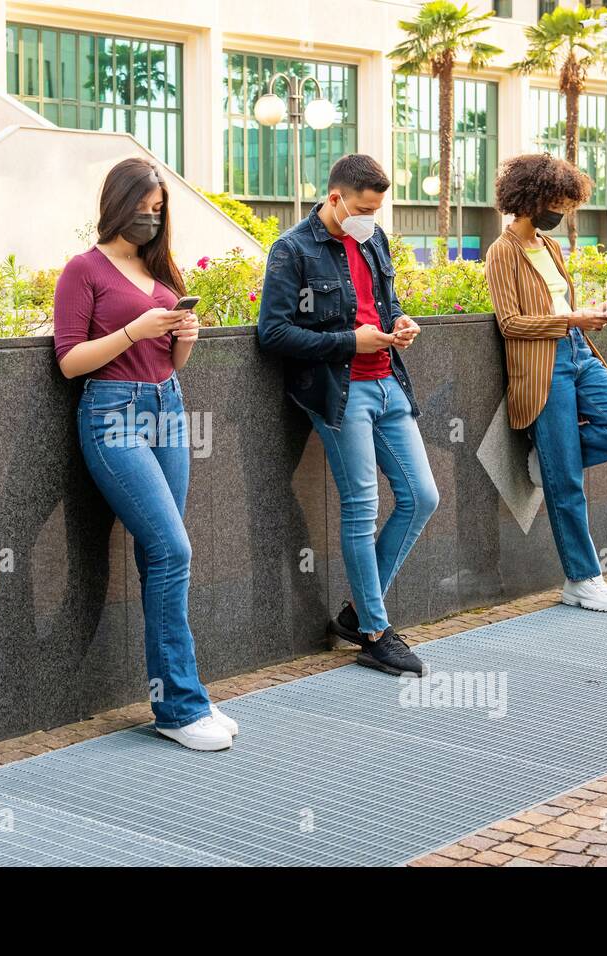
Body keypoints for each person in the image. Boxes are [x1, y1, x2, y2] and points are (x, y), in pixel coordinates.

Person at [53, 158, 237, 751]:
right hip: (113, 415)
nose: (151, 219)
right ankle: (179, 709)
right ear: (117, 204)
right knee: (172, 547)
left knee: (163, 558)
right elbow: (70, 360)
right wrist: (135, 331)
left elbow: (168, 364)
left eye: (159, 211)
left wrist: (184, 340)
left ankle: (184, 697)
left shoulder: (161, 273)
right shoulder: (83, 270)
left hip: (169, 408)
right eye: (143, 208)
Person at [257, 154, 438, 677]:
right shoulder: (291, 250)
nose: (369, 219)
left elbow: (386, 301)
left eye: (376, 210)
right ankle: (376, 635)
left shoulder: (373, 239)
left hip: (388, 383)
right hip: (340, 393)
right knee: (362, 506)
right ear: (334, 198)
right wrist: (347, 341)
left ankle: (357, 612)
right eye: (362, 208)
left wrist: (399, 321)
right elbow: (272, 333)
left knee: (422, 496)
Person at [483, 153, 607, 612]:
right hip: (544, 367)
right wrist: (571, 320)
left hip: (580, 354)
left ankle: (554, 458)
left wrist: (592, 312)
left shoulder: (551, 247)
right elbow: (510, 323)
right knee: (568, 485)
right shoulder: (503, 252)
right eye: (556, 202)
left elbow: (559, 308)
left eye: (566, 203)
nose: (560, 213)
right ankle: (582, 580)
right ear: (532, 197)